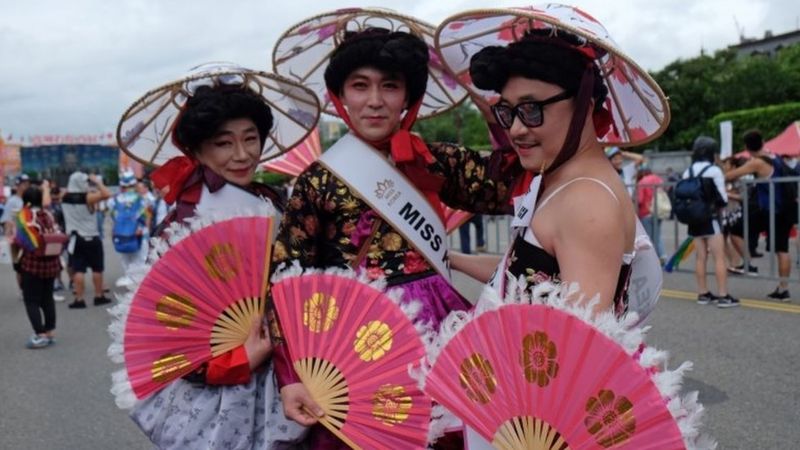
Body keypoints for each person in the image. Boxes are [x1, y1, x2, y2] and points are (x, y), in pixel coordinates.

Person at [268, 26, 519, 449]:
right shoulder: (319, 179)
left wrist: (496, 113)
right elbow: (284, 278)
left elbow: (512, 183)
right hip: (351, 344)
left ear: (408, 96)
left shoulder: (433, 161)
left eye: (390, 86)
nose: (375, 100)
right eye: (360, 86)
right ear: (340, 95)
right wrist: (290, 376)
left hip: (437, 332)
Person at [115, 64, 320, 449]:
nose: (242, 155)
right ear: (195, 150)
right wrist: (242, 357)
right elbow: (170, 337)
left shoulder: (273, 200)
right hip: (223, 389)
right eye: (224, 143)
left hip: (292, 367)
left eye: (251, 138)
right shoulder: (184, 222)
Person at [725, 130, 793, 301]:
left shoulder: (757, 162)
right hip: (782, 208)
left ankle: (748, 264)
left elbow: (732, 175)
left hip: (772, 210)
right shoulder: (774, 156)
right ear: (763, 141)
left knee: (737, 230)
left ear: (747, 148)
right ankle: (782, 288)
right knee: (781, 249)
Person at [682, 136, 738, 307]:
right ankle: (723, 295)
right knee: (719, 257)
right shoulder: (714, 171)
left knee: (701, 257)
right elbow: (722, 199)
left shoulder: (688, 171)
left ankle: (703, 293)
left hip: (693, 220)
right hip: (711, 218)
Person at [15, 183, 63, 348]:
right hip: (51, 263)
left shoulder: (25, 216)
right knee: (47, 298)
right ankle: (50, 332)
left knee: (31, 300)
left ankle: (40, 334)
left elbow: (22, 241)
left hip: (33, 264)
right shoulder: (48, 214)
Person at [62, 170, 113, 308]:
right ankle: (98, 296)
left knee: (78, 269)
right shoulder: (88, 197)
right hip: (92, 236)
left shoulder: (64, 197)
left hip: (75, 238)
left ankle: (79, 299)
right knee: (97, 268)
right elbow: (107, 194)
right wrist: (97, 182)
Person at [108, 171, 149, 288]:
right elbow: (144, 217)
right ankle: (138, 284)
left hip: (120, 235)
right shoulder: (141, 199)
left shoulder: (114, 200)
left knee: (126, 260)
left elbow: (113, 218)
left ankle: (130, 280)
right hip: (139, 234)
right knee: (140, 260)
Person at [1, 174, 31, 292]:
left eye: (28, 184)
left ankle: (30, 289)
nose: (26, 186)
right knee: (19, 266)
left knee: (29, 263)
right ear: (18, 186)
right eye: (24, 184)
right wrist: (8, 238)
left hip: (29, 237)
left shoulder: (29, 199)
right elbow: (6, 220)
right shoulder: (13, 201)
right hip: (17, 238)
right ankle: (23, 290)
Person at [637, 165, 665, 260]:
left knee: (648, 237)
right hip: (659, 211)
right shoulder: (659, 179)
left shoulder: (642, 182)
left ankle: (653, 259)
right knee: (657, 236)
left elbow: (640, 200)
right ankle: (662, 255)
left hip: (646, 212)